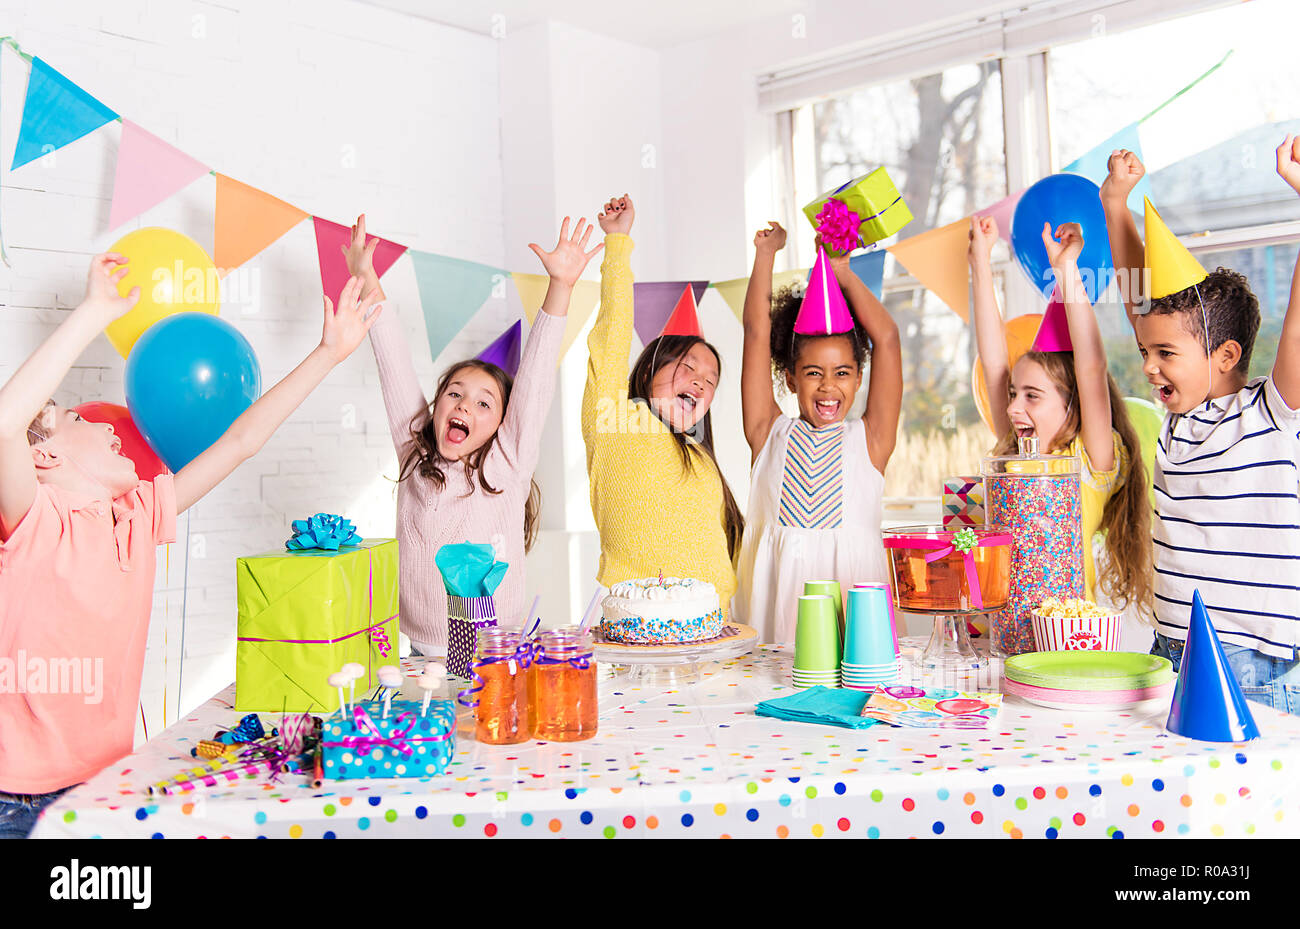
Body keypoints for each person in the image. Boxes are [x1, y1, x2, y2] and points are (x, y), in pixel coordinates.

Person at [0, 255, 382, 837]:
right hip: (16, 802)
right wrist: (93, 310)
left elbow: (242, 440)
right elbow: (4, 425)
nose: (112, 425)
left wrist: (328, 353)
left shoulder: (137, 517)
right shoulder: (34, 518)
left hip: (105, 786)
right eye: (77, 418)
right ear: (45, 456)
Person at [1100, 140, 1300, 714]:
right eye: (1144, 351)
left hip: (1253, 663)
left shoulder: (1270, 415)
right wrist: (1116, 204)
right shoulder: (1179, 419)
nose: (1147, 366)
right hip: (1174, 647)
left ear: (1226, 355)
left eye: (1164, 352)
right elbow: (1141, 301)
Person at [347, 214, 603, 654]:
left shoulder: (507, 462)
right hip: (421, 651)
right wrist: (366, 275)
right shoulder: (414, 450)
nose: (464, 405)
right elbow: (392, 359)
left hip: (497, 647)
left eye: (484, 403)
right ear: (437, 406)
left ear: (504, 425)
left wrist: (561, 286)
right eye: (454, 393)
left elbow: (537, 377)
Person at [968, 215, 1152, 610]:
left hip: (1068, 639)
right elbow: (993, 360)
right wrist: (980, 262)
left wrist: (1067, 272)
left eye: (1032, 396)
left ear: (1075, 404)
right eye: (1014, 394)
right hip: (1003, 631)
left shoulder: (1090, 460)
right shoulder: (1015, 455)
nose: (1014, 406)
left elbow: (1091, 367)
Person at [733, 222, 902, 644]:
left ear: (859, 378)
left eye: (842, 373)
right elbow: (755, 332)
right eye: (813, 373)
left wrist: (842, 269)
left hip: (852, 614)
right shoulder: (766, 432)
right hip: (775, 617)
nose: (829, 386)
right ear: (790, 379)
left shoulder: (871, 440)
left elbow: (887, 337)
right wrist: (766, 255)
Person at [582, 194, 743, 614]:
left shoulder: (700, 457)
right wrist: (618, 242)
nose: (700, 384)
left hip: (711, 633)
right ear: (652, 367)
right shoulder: (617, 420)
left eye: (710, 381)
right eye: (688, 367)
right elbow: (612, 335)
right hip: (641, 630)